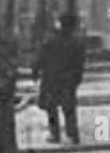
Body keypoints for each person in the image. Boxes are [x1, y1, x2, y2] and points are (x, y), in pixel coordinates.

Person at [34, 12, 86, 144]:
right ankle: (73, 134)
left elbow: (41, 57)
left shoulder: (50, 40)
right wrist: (77, 77)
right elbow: (80, 62)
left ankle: (55, 133)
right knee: (69, 108)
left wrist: (35, 70)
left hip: (52, 78)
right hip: (69, 79)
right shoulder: (77, 42)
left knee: (51, 108)